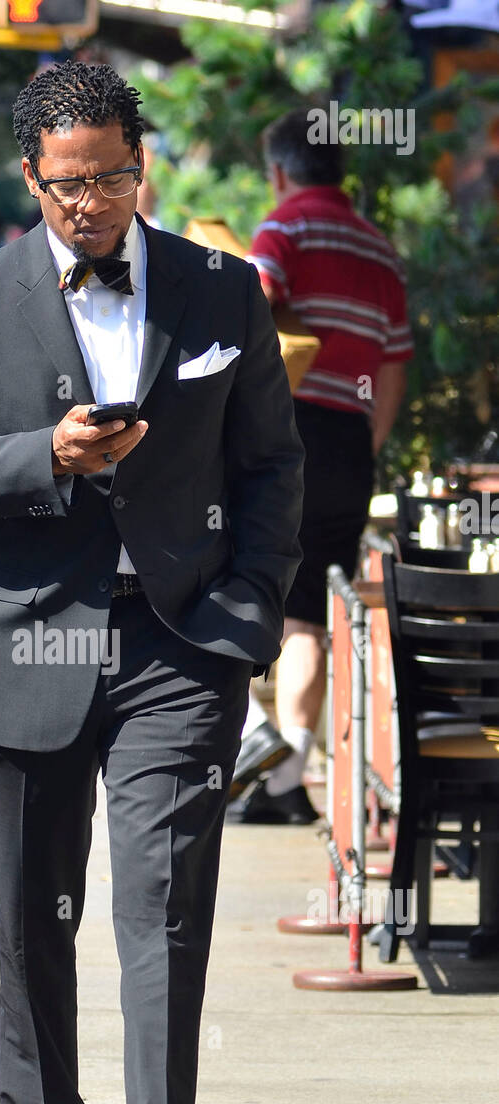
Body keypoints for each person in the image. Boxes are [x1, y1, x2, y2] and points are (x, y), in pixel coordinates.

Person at [0, 61, 304, 1104]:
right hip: (31, 634)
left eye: (116, 176)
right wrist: (46, 459)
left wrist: (249, 603)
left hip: (180, 640)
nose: (94, 201)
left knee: (164, 899)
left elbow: (272, 463)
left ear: (142, 167)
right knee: (35, 914)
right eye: (71, 184)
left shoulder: (222, 289)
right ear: (31, 177)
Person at [230, 107, 413, 824]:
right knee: (307, 614)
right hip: (348, 443)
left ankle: (256, 732)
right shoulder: (379, 249)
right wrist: (365, 445)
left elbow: (257, 298)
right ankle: (285, 786)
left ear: (279, 172)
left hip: (283, 433)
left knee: (211, 575)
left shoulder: (286, 228)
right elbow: (394, 366)